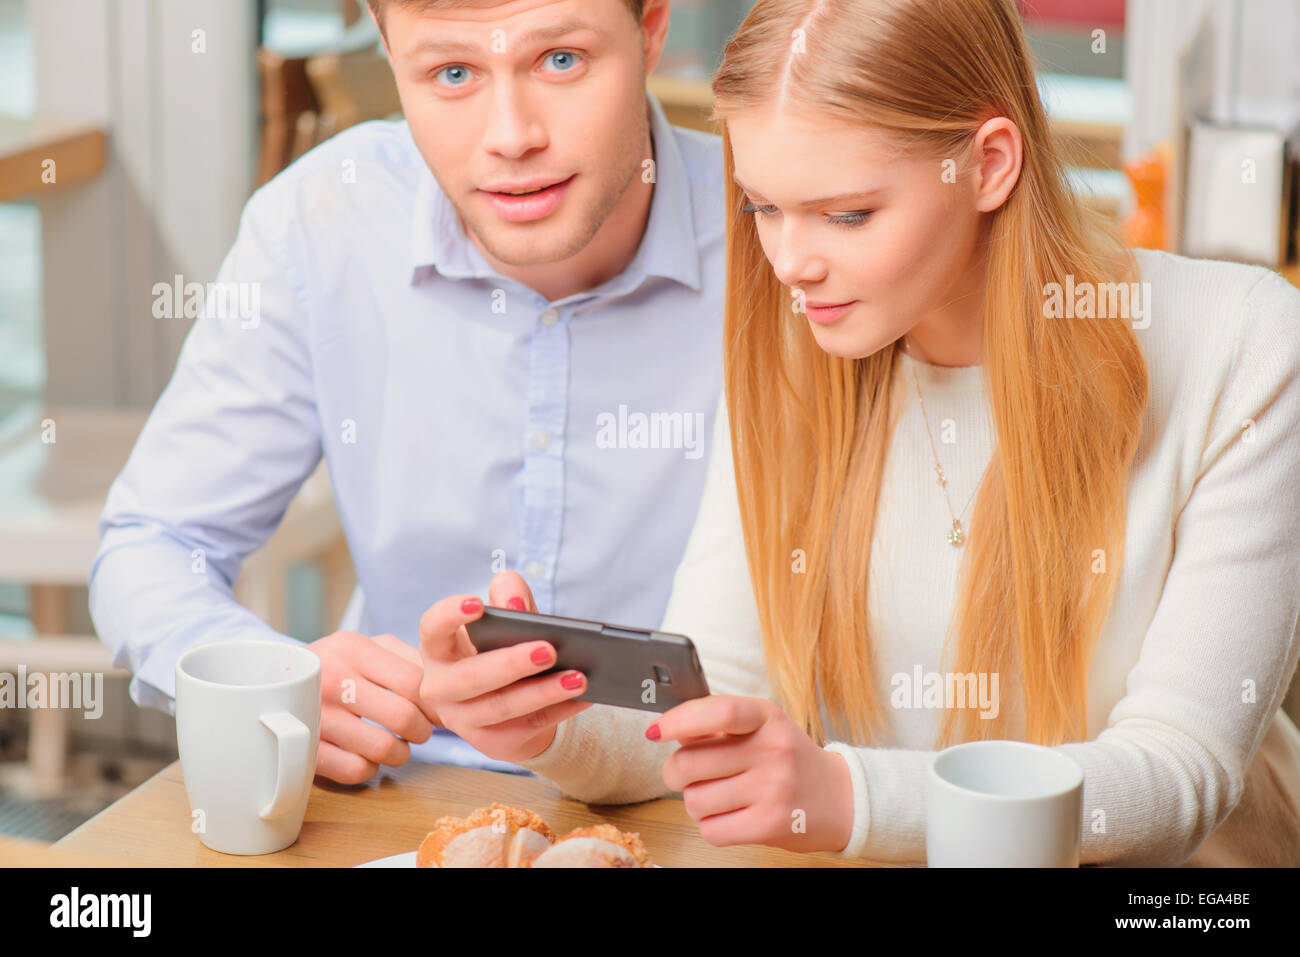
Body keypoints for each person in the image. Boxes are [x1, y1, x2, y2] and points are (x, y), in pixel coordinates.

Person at [416, 0, 1300, 865]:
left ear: (989, 164)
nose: (791, 263)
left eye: (847, 214)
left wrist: (845, 798)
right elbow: (718, 688)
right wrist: (549, 719)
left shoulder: (1247, 344)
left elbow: (1180, 774)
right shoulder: (800, 347)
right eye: (762, 207)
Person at [88, 0, 727, 785]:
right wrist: (271, 682)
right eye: (452, 73)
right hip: (404, 791)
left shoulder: (780, 237)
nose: (512, 135)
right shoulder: (322, 220)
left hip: (702, 802)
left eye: (560, 60)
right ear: (389, 58)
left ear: (653, 27)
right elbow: (156, 540)